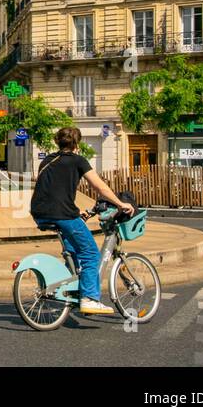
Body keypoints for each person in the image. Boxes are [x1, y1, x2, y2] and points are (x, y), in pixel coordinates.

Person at [30, 126, 135, 316]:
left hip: (40, 213)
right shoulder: (77, 160)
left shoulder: (47, 160)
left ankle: (69, 288)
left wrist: (78, 212)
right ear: (77, 144)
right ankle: (90, 299)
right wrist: (120, 204)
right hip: (62, 214)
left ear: (57, 142)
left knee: (72, 251)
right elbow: (100, 187)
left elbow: (55, 190)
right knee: (91, 254)